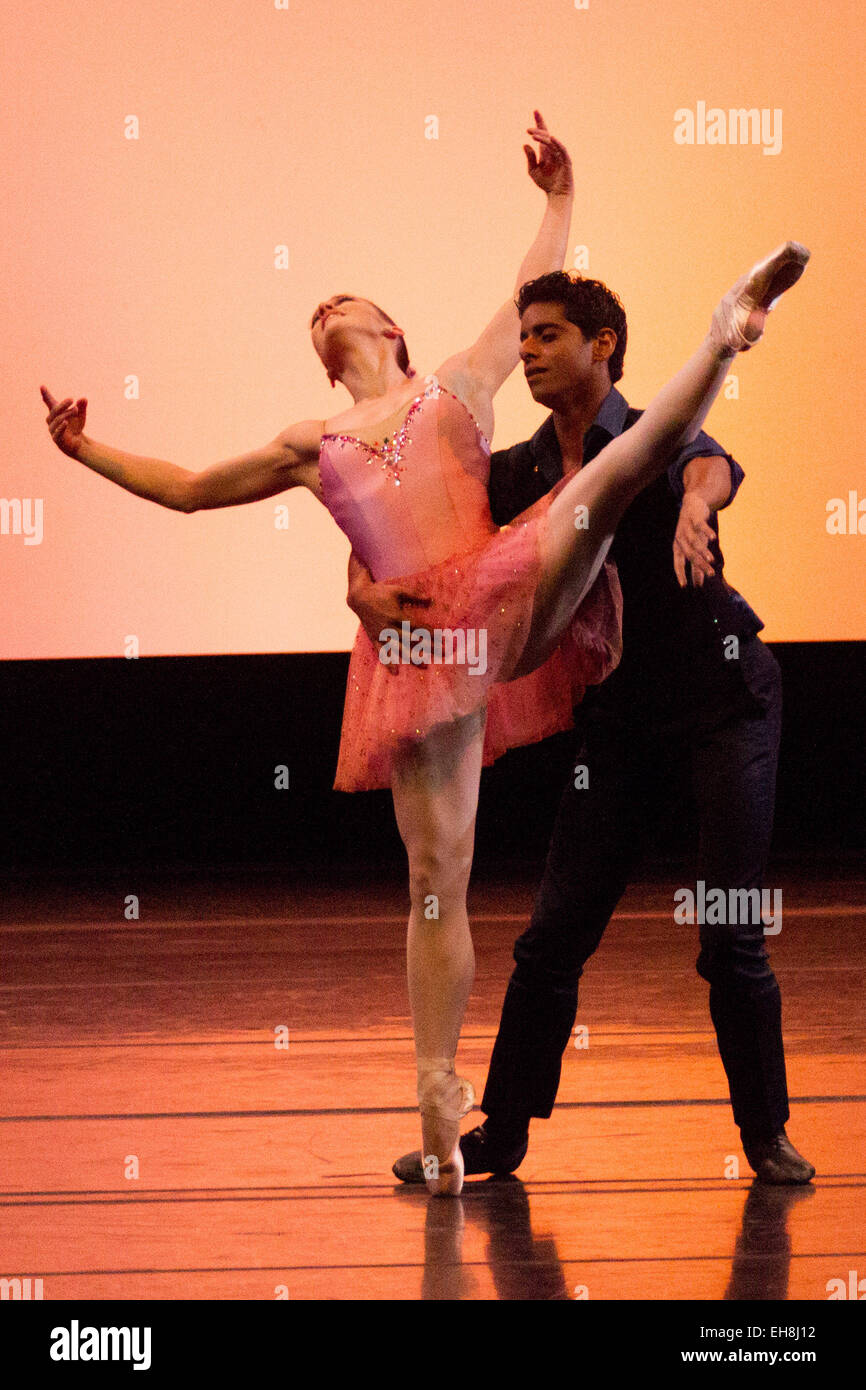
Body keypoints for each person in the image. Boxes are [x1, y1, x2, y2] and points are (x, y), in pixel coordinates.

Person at [40, 111, 810, 1195]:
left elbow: (534, 301)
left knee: (614, 472)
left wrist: (556, 199)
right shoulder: (318, 446)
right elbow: (188, 489)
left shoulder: (456, 387)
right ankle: (448, 1116)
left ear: (393, 330)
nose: (324, 309)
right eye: (313, 312)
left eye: (342, 299)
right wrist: (85, 453)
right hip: (445, 647)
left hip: (598, 637)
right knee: (443, 883)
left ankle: (722, 333)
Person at [383, 270, 814, 1188]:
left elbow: (709, 461)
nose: (529, 352)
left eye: (547, 336)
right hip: (619, 723)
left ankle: (766, 1134)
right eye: (525, 337)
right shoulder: (526, 469)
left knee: (728, 932)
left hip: (724, 701)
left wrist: (699, 504)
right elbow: (445, 528)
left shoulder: (646, 432)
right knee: (551, 938)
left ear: (601, 346)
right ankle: (500, 1135)